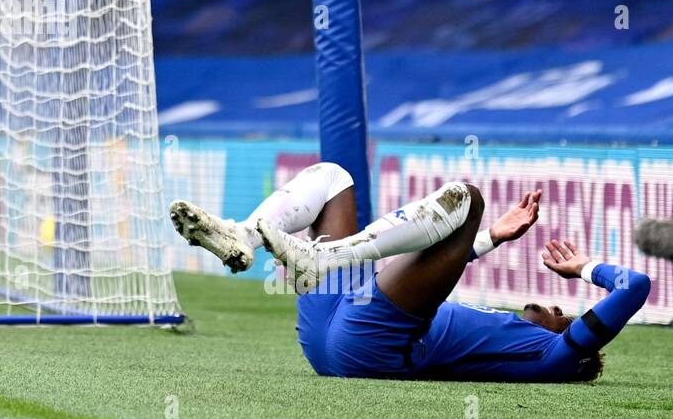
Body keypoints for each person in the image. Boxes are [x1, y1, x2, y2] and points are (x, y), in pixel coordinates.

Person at [170, 162, 650, 382]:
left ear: (578, 344)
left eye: (562, 314)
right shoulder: (512, 332)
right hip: (337, 332)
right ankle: (243, 239)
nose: (554, 305)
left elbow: (637, 286)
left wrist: (583, 269)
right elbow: (421, 274)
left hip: (374, 345)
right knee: (334, 180)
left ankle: (321, 259)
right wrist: (489, 241)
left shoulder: (558, 356)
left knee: (468, 200)